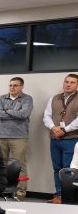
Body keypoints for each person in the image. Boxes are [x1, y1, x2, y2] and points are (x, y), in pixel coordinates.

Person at [0, 77, 32, 200]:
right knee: (1, 165)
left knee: (19, 166)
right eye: (10, 85)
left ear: (22, 86)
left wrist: (7, 111)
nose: (12, 88)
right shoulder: (1, 98)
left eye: (15, 85)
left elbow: (24, 114)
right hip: (1, 136)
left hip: (19, 137)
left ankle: (20, 192)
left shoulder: (27, 99)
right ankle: (2, 190)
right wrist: (14, 112)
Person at [42, 73, 78, 203]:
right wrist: (53, 128)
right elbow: (46, 116)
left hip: (72, 139)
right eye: (66, 81)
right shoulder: (54, 98)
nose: (68, 84)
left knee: (68, 169)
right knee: (57, 168)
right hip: (55, 139)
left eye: (72, 82)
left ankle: (68, 196)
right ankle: (59, 194)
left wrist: (64, 129)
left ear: (77, 85)